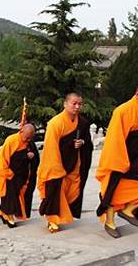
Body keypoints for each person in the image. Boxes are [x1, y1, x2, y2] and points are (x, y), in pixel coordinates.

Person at [96, 82, 138, 238]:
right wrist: (119, 164)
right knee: (114, 193)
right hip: (121, 160)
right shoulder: (123, 111)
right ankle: (109, 222)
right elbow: (115, 139)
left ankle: (127, 210)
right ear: (137, 94)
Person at [37, 93, 93, 233]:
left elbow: (88, 142)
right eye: (74, 103)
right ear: (65, 104)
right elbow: (51, 147)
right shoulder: (56, 123)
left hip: (74, 164)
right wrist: (56, 169)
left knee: (73, 191)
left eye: (79, 104)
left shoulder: (83, 123)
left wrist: (83, 142)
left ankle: (60, 214)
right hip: (57, 164)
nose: (77, 107)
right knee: (56, 192)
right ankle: (53, 220)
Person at [0, 124, 40, 228]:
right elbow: (2, 159)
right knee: (10, 196)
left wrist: (32, 156)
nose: (28, 139)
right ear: (21, 131)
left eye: (30, 137)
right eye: (26, 137)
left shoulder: (30, 143)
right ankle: (8, 215)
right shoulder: (12, 140)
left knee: (18, 196)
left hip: (21, 176)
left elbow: (35, 157)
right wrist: (8, 173)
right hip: (9, 173)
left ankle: (3, 212)